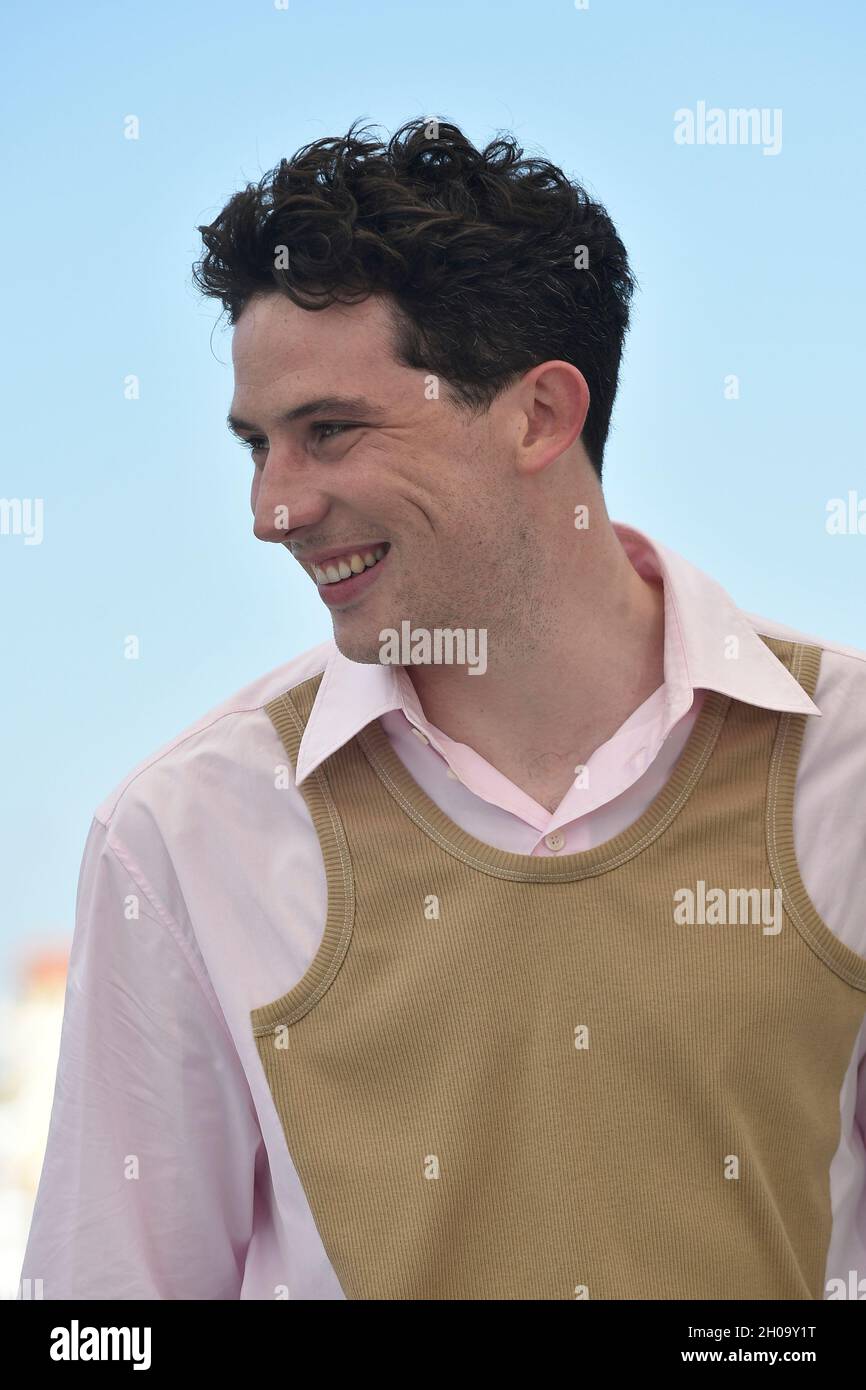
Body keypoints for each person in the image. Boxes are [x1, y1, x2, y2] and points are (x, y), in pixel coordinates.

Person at [20, 117, 866, 1301]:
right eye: (257, 445)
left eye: (330, 431)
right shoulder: (183, 837)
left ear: (539, 415)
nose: (272, 510)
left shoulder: (848, 771)